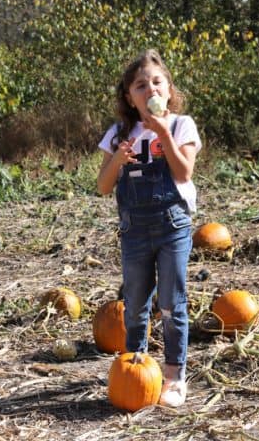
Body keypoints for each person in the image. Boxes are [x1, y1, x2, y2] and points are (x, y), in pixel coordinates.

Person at [97, 49, 202, 407]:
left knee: (172, 302)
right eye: (141, 85)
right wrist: (119, 161)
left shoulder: (180, 125)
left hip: (173, 226)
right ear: (130, 96)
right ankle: (134, 363)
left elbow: (183, 173)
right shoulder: (118, 133)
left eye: (157, 82)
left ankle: (174, 375)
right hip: (134, 230)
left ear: (169, 89)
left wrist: (163, 135)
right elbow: (103, 185)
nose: (150, 89)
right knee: (136, 303)